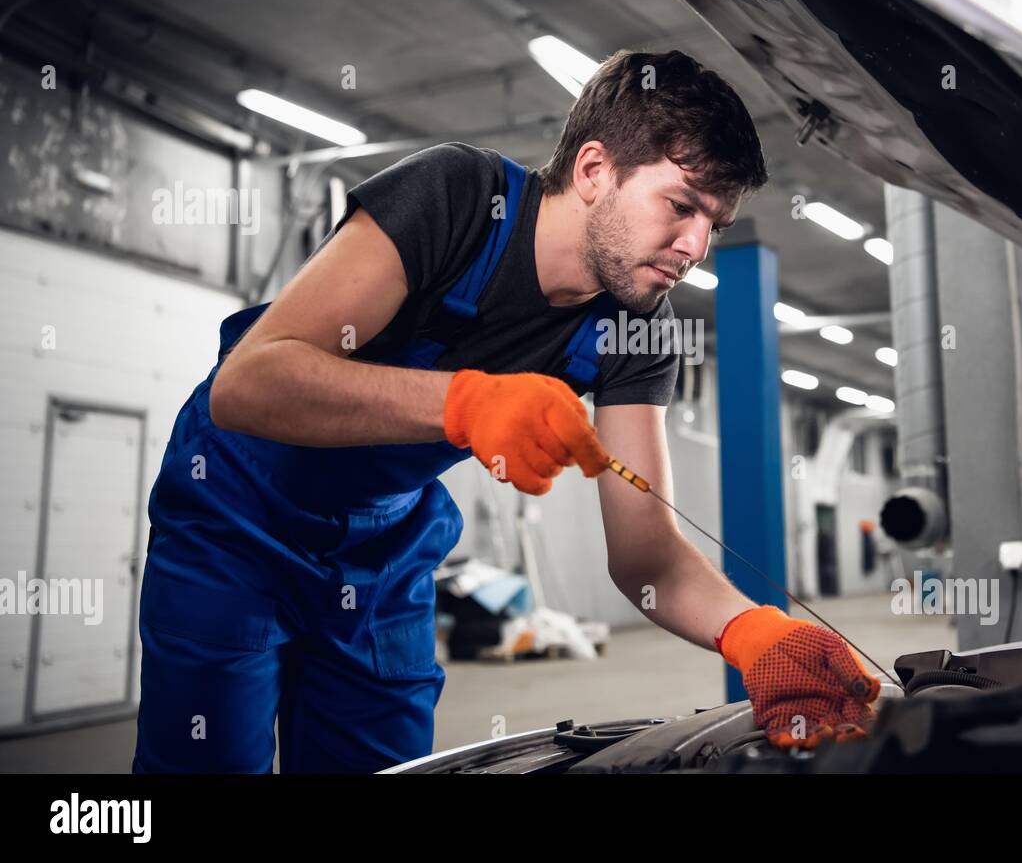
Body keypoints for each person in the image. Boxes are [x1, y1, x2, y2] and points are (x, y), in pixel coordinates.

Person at [132, 49, 880, 773]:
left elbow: (647, 555)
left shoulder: (640, 327)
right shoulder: (457, 199)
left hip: (380, 552)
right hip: (237, 518)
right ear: (594, 171)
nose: (695, 247)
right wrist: (466, 399)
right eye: (681, 206)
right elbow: (250, 384)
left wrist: (752, 631)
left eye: (712, 224)